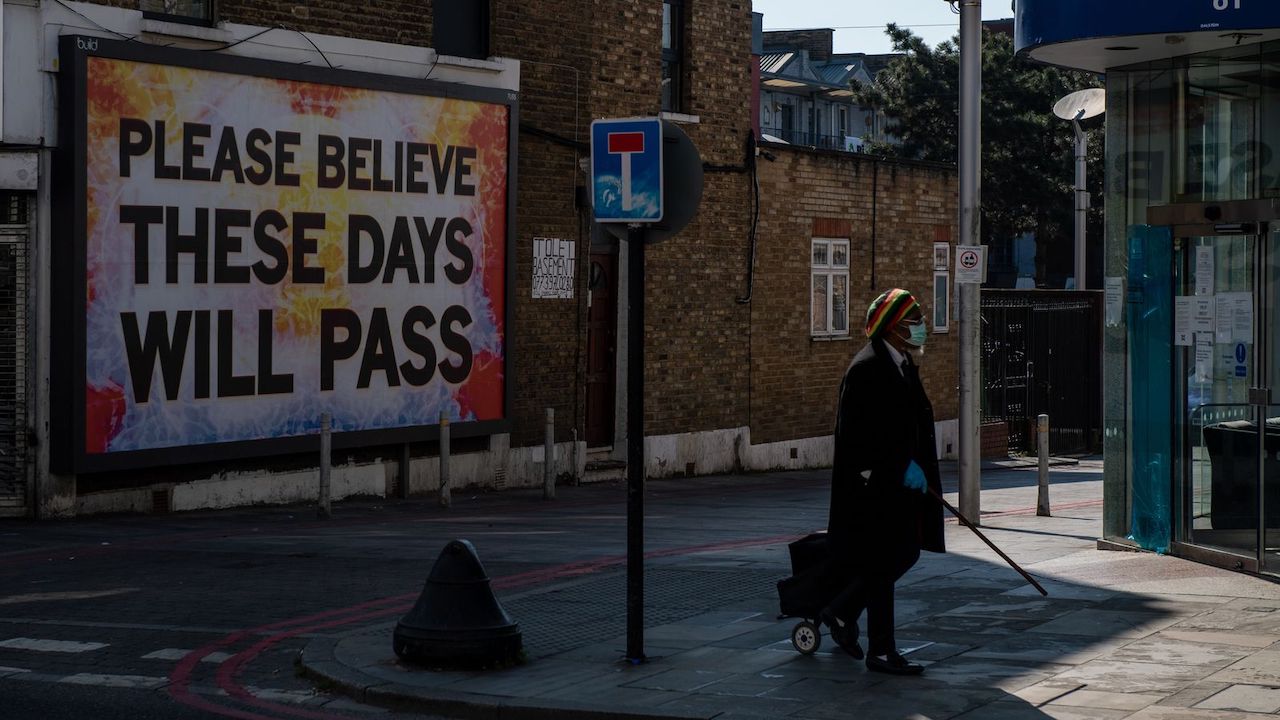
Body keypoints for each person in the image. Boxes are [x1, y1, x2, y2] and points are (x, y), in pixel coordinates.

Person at [822, 288, 945, 676]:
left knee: (893, 558)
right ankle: (855, 624)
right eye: (914, 321)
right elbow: (859, 436)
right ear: (894, 327)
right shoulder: (866, 368)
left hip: (901, 487)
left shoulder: (903, 363)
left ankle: (870, 638)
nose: (921, 327)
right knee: (893, 557)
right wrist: (898, 466)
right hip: (874, 491)